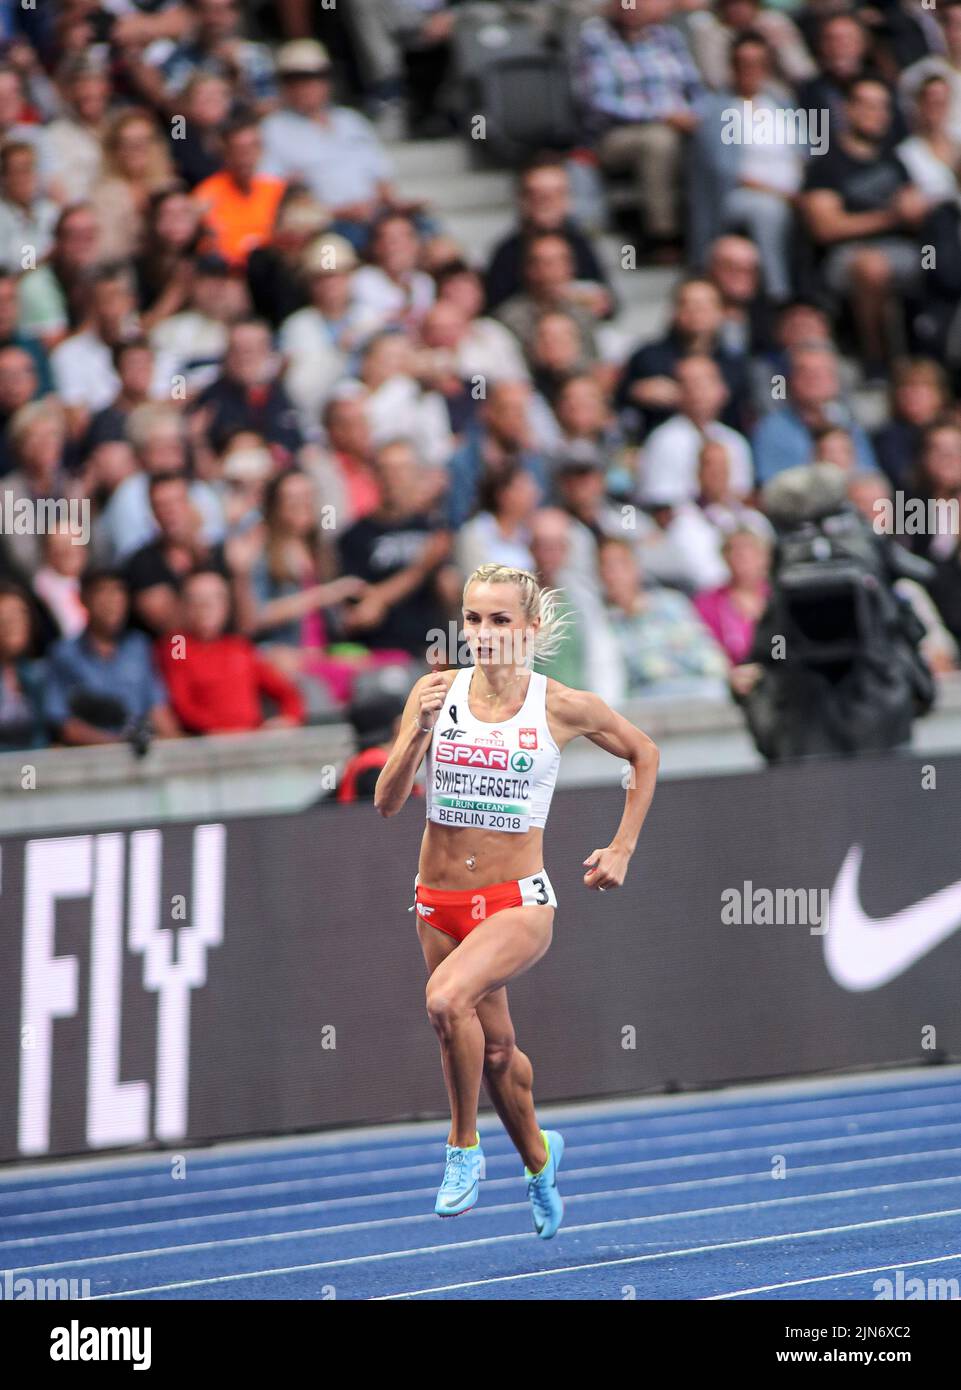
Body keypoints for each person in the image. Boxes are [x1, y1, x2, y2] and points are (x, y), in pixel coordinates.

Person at [373, 561, 659, 1237]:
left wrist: (621, 847)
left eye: (500, 620)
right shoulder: (435, 693)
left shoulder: (559, 704)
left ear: (531, 628)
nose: (483, 633)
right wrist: (416, 730)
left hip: (516, 902)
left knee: (446, 1002)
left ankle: (462, 1149)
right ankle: (538, 1157)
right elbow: (386, 804)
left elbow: (642, 753)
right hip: (437, 902)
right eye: (473, 619)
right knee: (496, 1053)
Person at [157, 567, 305, 734]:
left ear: (226, 605)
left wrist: (287, 719)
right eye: (196, 600)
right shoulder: (179, 643)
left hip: (250, 740)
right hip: (206, 743)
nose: (205, 606)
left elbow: (287, 693)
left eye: (215, 598)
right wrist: (218, 729)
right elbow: (181, 704)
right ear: (184, 605)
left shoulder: (239, 646)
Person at [43, 568, 180, 746]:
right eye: (102, 592)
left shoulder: (139, 647)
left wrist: (179, 747)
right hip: (90, 761)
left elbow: (157, 708)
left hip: (140, 753)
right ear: (83, 598)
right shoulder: (64, 654)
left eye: (118, 591)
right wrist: (119, 744)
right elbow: (63, 724)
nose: (111, 602)